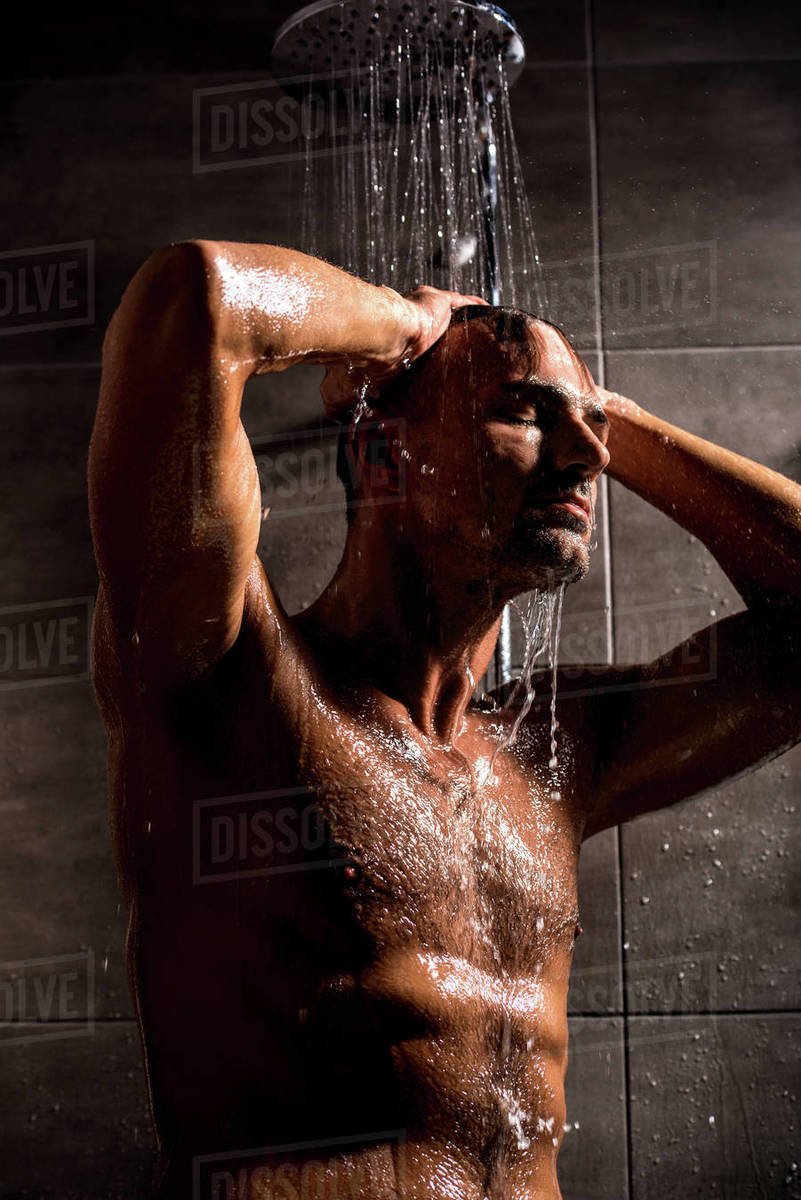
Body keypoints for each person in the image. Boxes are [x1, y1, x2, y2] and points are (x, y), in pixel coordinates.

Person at [88, 241, 801, 1200]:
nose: (585, 457)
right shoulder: (227, 673)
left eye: (588, 429)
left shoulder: (553, 753)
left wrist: (598, 413)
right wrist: (411, 325)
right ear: (385, 450)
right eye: (521, 414)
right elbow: (194, 302)